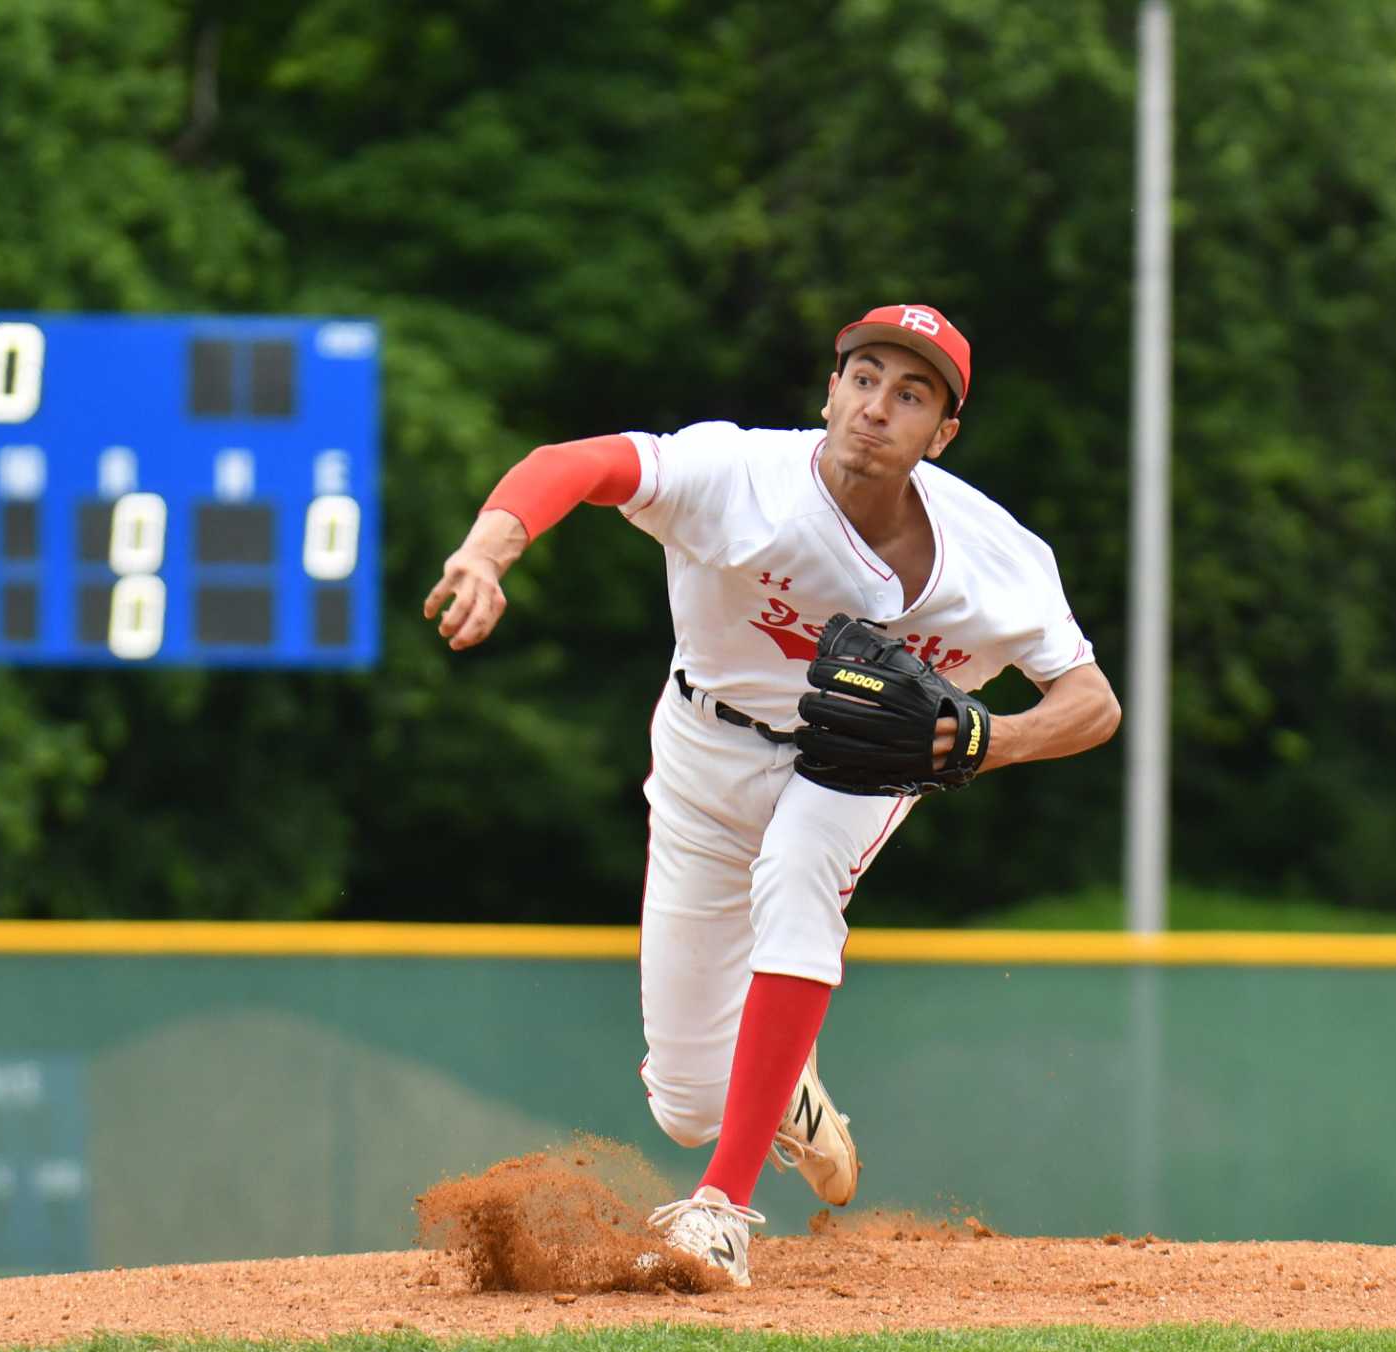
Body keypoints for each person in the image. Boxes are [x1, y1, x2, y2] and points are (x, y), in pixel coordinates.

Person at [422, 304, 1122, 1286]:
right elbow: (571, 463)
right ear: (829, 388)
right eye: (865, 377)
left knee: (800, 874)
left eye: (911, 394)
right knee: (684, 1099)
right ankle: (782, 1092)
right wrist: (488, 551)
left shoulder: (998, 559)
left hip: (853, 762)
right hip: (702, 751)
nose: (878, 406)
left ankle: (719, 1209)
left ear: (941, 434)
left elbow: (1090, 703)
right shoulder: (737, 477)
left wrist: (987, 739)